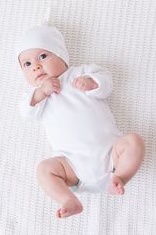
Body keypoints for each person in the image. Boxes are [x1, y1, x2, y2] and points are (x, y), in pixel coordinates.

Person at [17, 24, 145, 218]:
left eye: (43, 56)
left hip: (111, 155)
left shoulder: (80, 73)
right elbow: (26, 113)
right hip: (71, 166)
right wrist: (41, 92)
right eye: (27, 64)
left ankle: (120, 177)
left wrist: (92, 83)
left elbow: (106, 81)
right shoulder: (37, 96)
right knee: (44, 170)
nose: (35, 66)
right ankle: (68, 199)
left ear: (60, 55)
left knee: (134, 141)